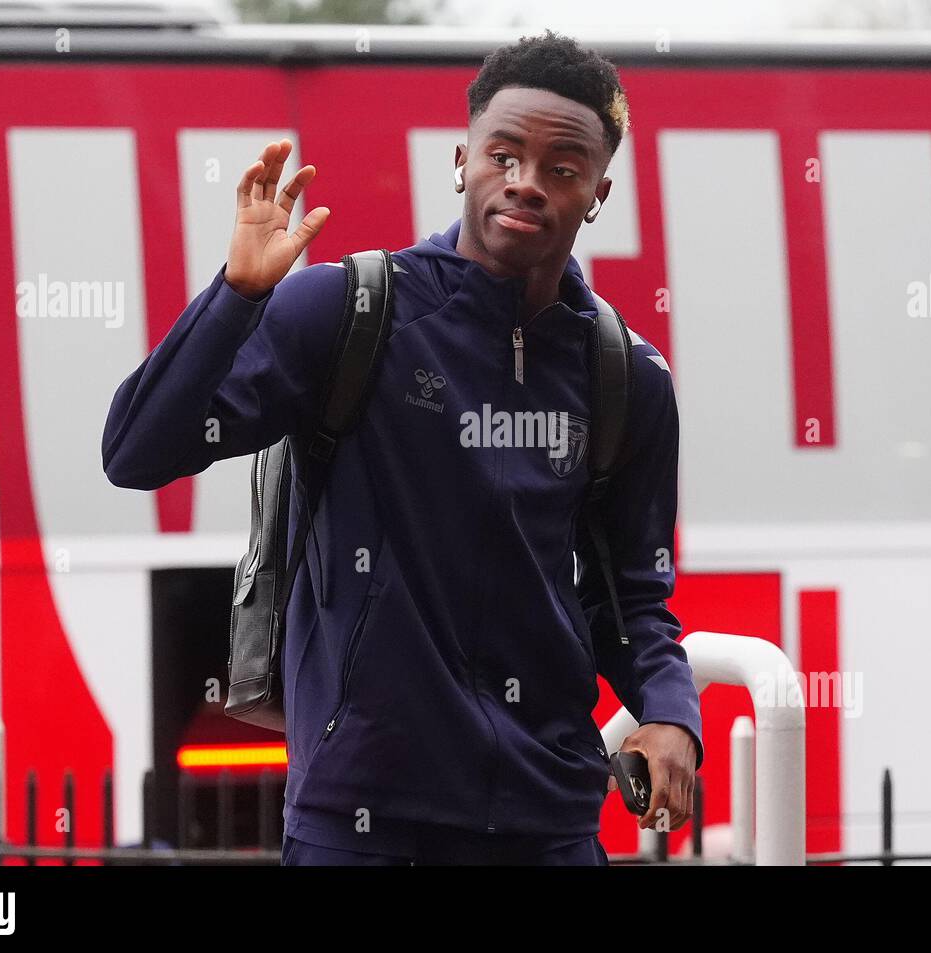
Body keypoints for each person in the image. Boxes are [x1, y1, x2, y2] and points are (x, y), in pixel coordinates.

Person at [101, 29, 703, 866]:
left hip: (549, 824)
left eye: (562, 168)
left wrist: (670, 710)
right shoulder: (347, 312)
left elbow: (633, 592)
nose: (525, 183)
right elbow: (136, 451)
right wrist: (235, 297)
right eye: (504, 154)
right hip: (360, 822)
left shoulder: (626, 375)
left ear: (597, 192)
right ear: (463, 159)